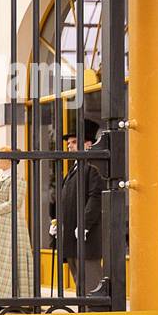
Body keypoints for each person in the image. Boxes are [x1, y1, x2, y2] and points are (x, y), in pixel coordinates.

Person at [52, 124, 104, 294]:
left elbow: (95, 198)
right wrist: (57, 222)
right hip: (71, 237)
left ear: (88, 144)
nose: (69, 146)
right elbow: (67, 200)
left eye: (74, 142)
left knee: (90, 284)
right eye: (68, 143)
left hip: (85, 237)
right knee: (79, 284)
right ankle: (85, 314)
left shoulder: (93, 167)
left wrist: (84, 225)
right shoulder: (74, 167)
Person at [0, 147, 35, 303]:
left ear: (9, 160)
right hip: (0, 225)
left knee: (12, 261)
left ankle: (17, 298)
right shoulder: (0, 178)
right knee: (0, 264)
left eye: (0, 158)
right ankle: (1, 298)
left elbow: (15, 203)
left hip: (11, 225)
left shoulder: (17, 179)